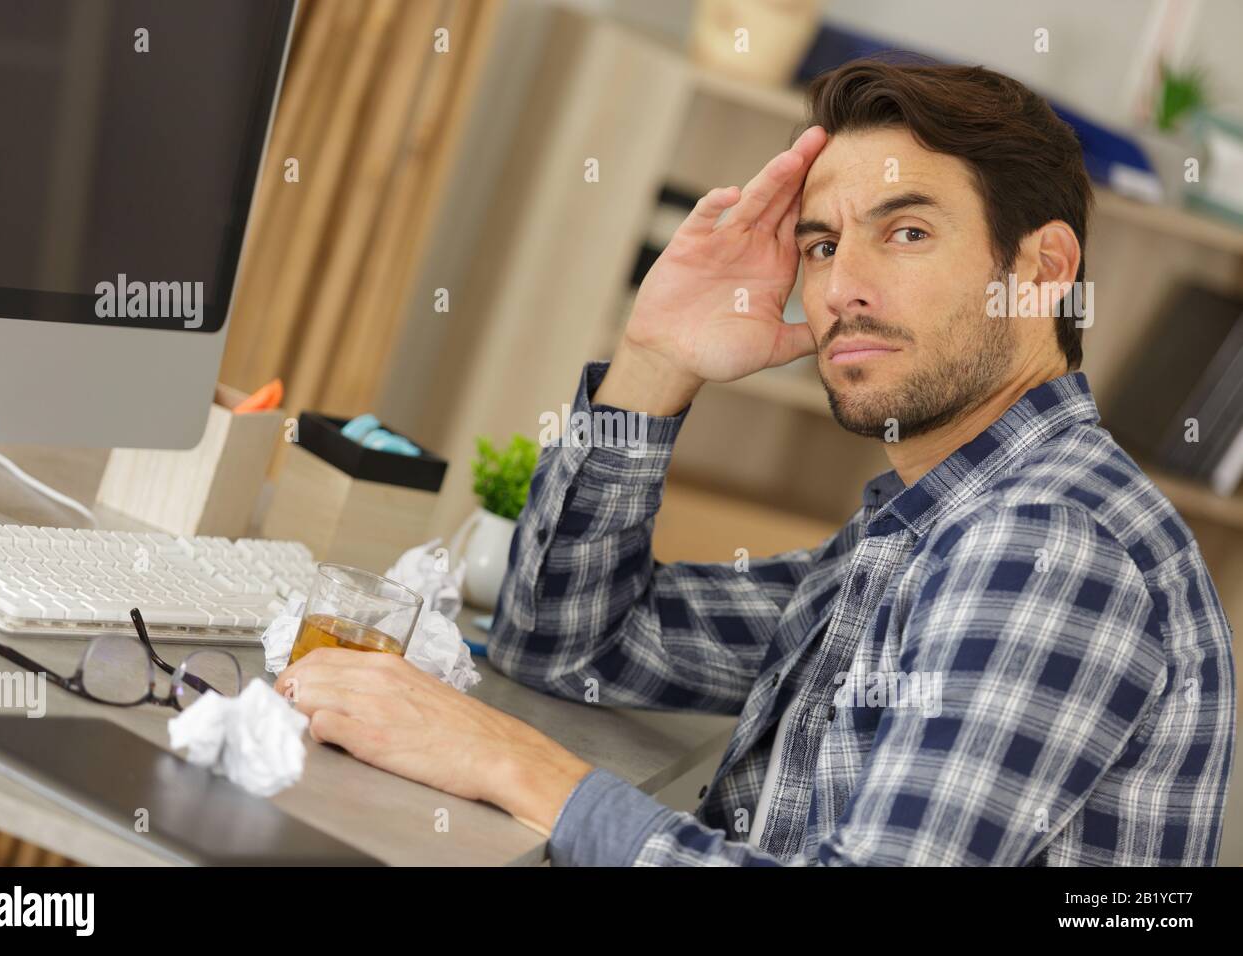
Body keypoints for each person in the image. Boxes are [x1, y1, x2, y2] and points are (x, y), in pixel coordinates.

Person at [277, 58, 1235, 866]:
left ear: (1042, 269)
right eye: (821, 244)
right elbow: (569, 645)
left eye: (905, 232)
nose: (842, 289)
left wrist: (511, 764)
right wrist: (655, 362)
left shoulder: (1049, 547)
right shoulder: (927, 525)